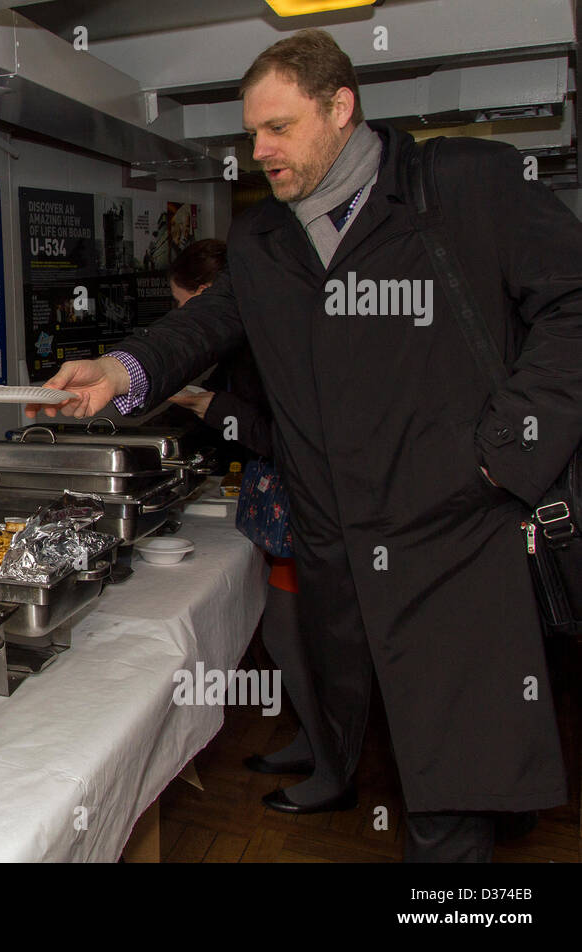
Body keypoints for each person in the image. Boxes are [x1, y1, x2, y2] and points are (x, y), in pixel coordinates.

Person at [30, 29, 582, 861]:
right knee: (404, 750)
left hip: (459, 534)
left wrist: (502, 451)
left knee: (453, 786)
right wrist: (120, 367)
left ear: (341, 108)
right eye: (252, 134)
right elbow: (208, 322)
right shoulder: (265, 239)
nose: (260, 152)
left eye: (279, 128)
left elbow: (573, 308)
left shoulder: (463, 184)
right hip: (341, 548)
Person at [166, 240, 347, 812]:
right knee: (287, 638)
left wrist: (206, 404)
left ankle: (335, 771)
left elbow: (281, 437)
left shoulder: (269, 345)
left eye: (182, 304)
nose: (179, 319)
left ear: (207, 297)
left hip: (307, 512)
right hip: (290, 513)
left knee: (298, 642)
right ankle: (315, 744)